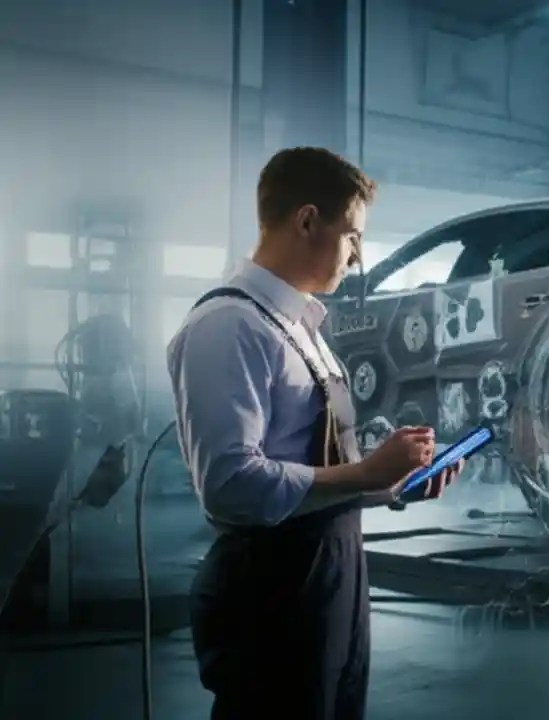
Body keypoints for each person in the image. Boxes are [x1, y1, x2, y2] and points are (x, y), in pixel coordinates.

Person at [166, 146, 462, 719]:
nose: (357, 257)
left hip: (331, 577)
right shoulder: (229, 326)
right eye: (352, 236)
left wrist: (392, 482)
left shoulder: (299, 326)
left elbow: (317, 465)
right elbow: (229, 484)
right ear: (306, 221)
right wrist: (366, 472)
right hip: (270, 593)